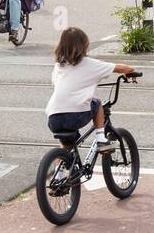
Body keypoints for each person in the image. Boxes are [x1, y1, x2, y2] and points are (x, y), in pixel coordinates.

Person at [45, 27, 135, 155]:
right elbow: (121, 68)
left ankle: (59, 174)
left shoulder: (59, 65)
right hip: (74, 116)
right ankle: (101, 139)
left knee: (67, 147)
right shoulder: (89, 63)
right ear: (84, 46)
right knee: (97, 103)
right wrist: (131, 71)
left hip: (54, 118)